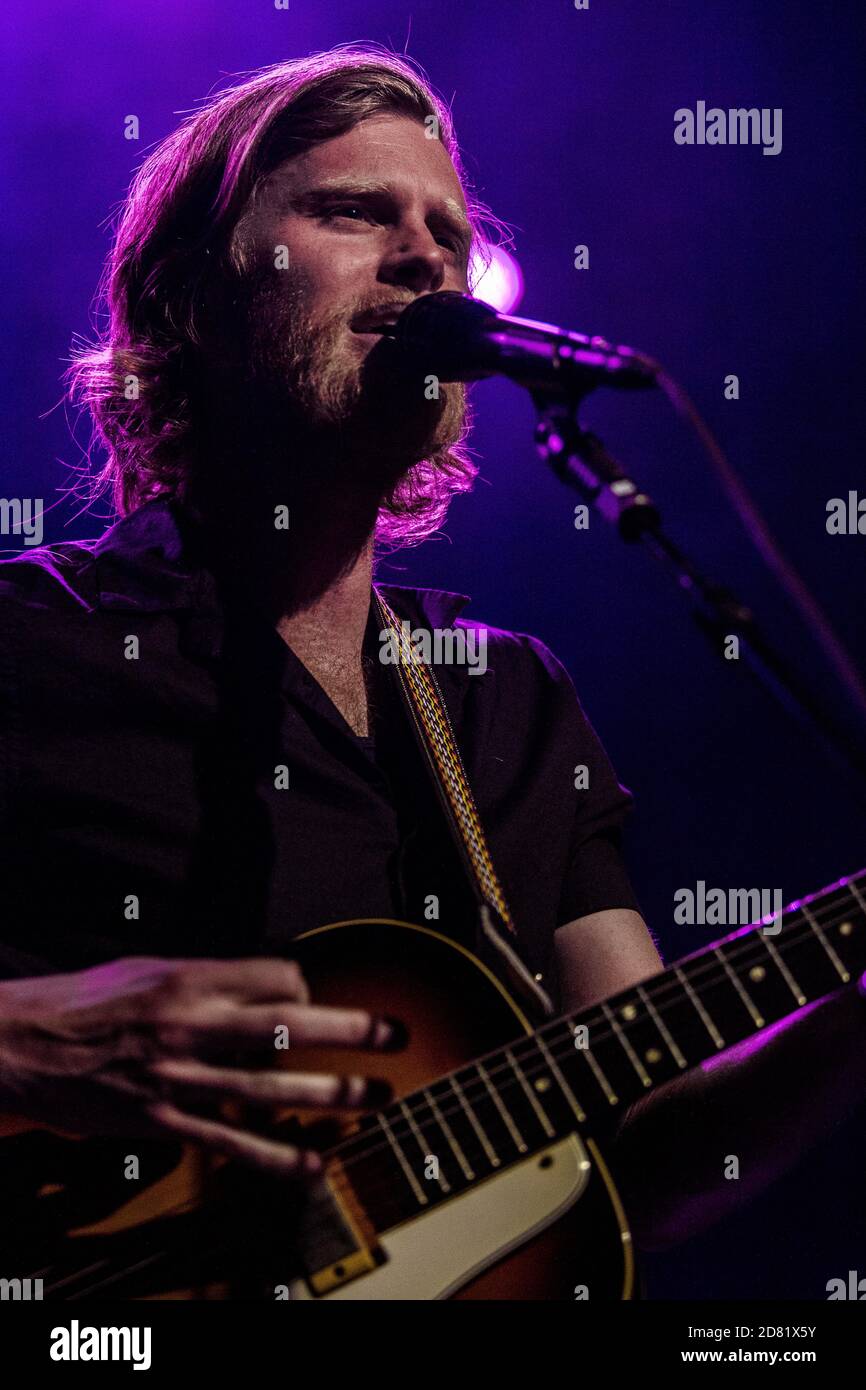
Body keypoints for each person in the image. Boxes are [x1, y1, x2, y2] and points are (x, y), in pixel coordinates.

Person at [0, 46, 863, 1263]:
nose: (424, 259)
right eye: (354, 212)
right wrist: (28, 1038)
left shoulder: (506, 698)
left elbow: (642, 1151)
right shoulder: (29, 642)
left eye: (446, 236)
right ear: (191, 296)